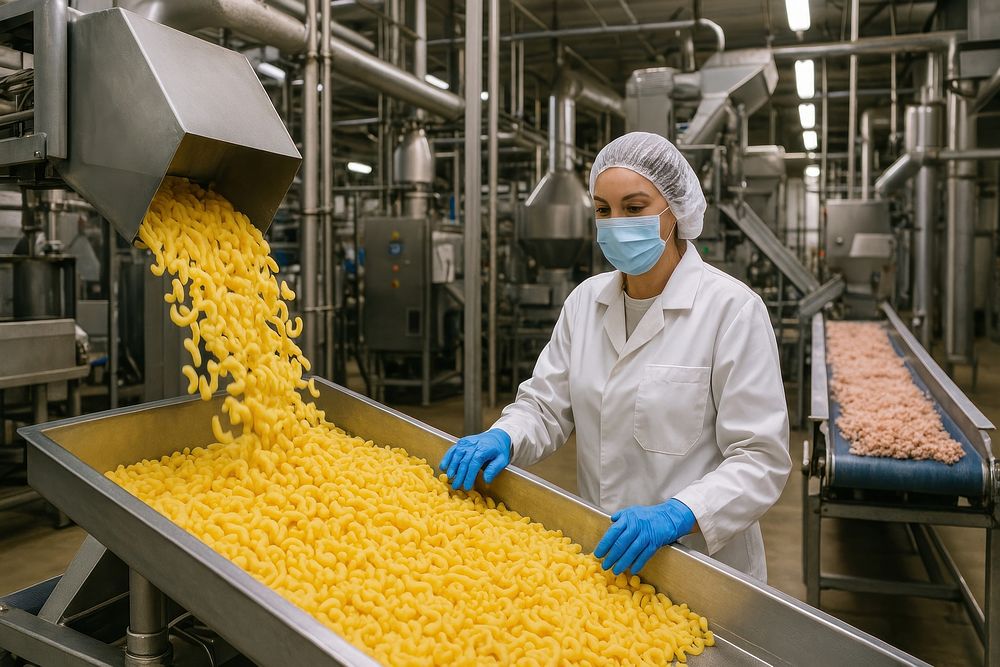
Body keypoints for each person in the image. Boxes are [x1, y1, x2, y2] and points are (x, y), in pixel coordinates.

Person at [440, 131, 791, 581]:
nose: (616, 222)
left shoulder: (732, 311)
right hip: (605, 553)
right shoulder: (585, 302)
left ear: (674, 212)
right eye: (603, 210)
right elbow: (544, 406)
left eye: (635, 207)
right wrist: (505, 436)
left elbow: (760, 457)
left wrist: (679, 513)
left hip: (702, 566)